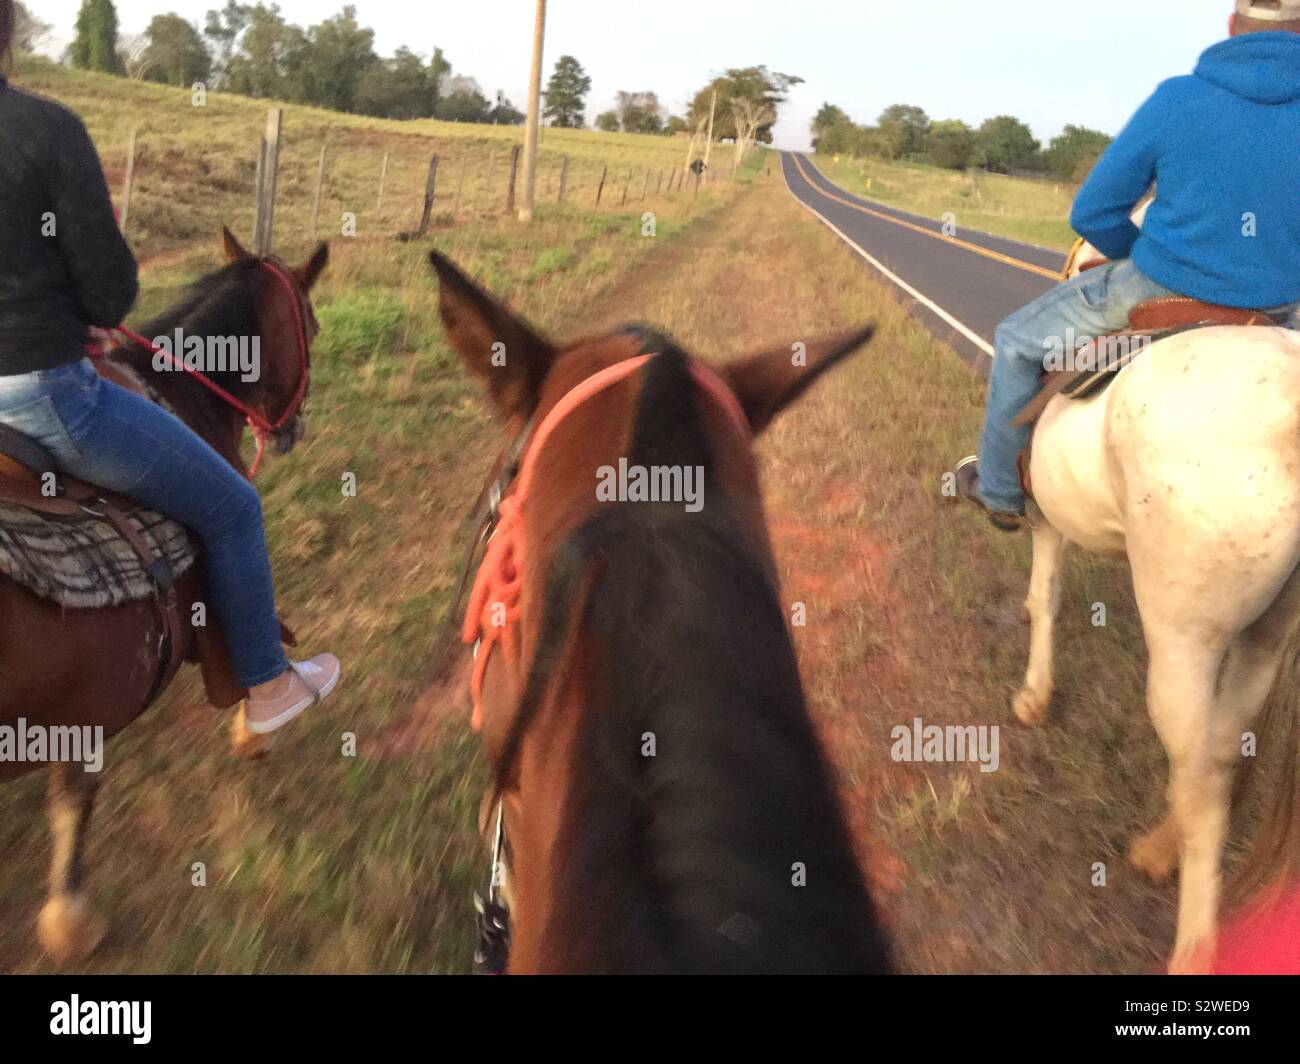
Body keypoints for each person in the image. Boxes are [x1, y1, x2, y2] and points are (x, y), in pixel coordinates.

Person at [0, 0, 339, 732]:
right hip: (46, 397)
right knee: (235, 508)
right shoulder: (45, 132)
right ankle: (266, 682)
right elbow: (113, 292)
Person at [957, 0, 1300, 530]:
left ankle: (1000, 492)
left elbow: (1093, 211)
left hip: (1160, 284)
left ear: (1232, 29)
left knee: (1018, 341)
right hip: (1280, 307)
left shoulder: (1177, 99)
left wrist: (1140, 254)